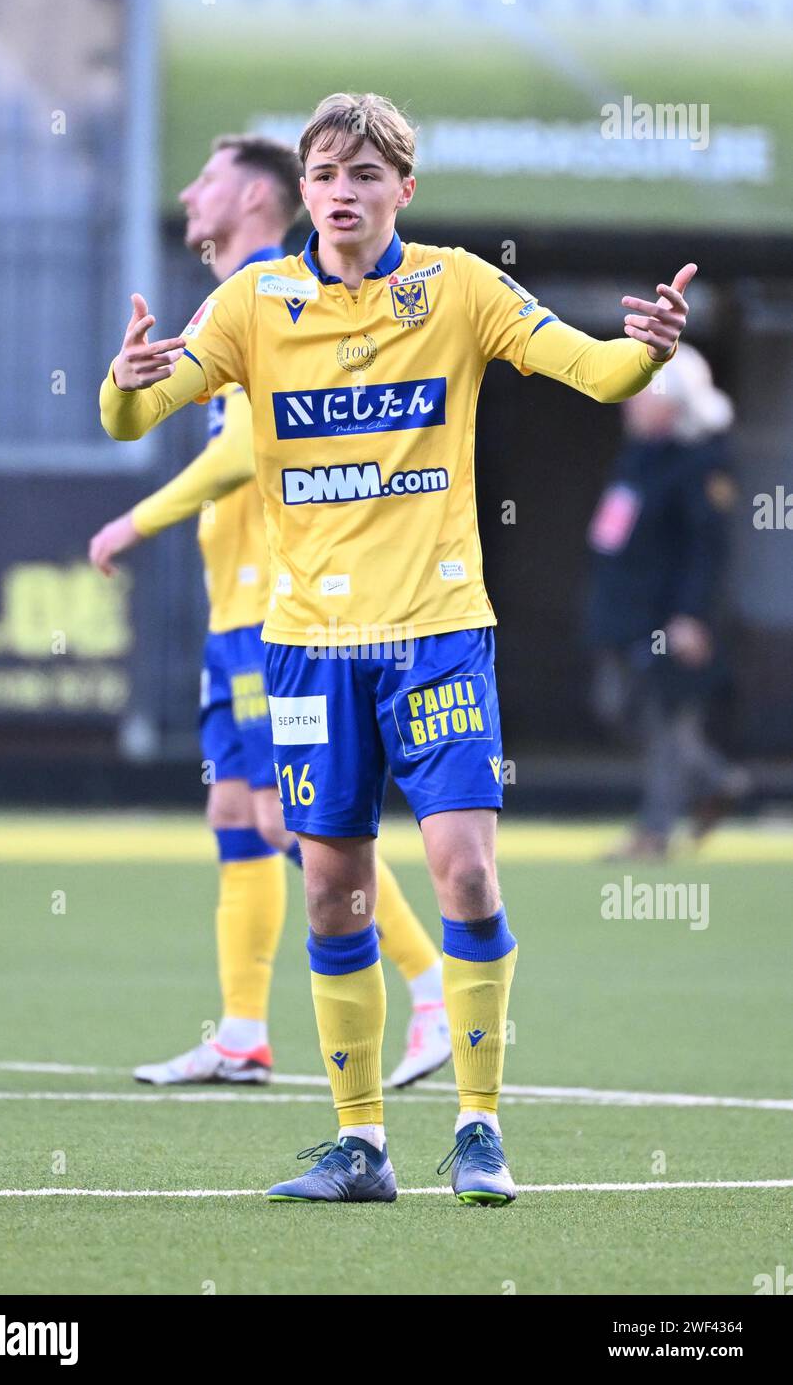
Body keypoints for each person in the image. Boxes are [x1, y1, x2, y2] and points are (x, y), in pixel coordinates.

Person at [99, 92, 693, 1206]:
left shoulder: (456, 287)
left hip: (437, 635)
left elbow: (594, 372)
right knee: (332, 893)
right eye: (326, 171)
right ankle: (359, 1141)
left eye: (366, 174)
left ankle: (476, 1126)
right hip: (310, 648)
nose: (342, 190)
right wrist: (123, 388)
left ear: (401, 193)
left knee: (463, 867)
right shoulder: (252, 302)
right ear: (306, 191)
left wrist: (645, 351)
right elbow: (134, 418)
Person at [90, 134, 451, 1089]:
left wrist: (139, 517)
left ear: (255, 197)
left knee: (298, 821)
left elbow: (248, 449)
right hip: (234, 599)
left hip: (277, 600)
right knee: (237, 808)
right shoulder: (233, 296)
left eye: (204, 178)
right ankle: (243, 1030)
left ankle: (434, 987)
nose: (185, 191)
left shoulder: (273, 295)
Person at [585, 343, 748, 860]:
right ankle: (717, 780)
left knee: (665, 721)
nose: (630, 404)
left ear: (674, 403)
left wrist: (692, 618)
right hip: (623, 613)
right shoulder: (639, 458)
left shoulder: (702, 464)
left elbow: (708, 551)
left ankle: (654, 834)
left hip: (667, 617)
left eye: (643, 395)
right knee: (617, 706)